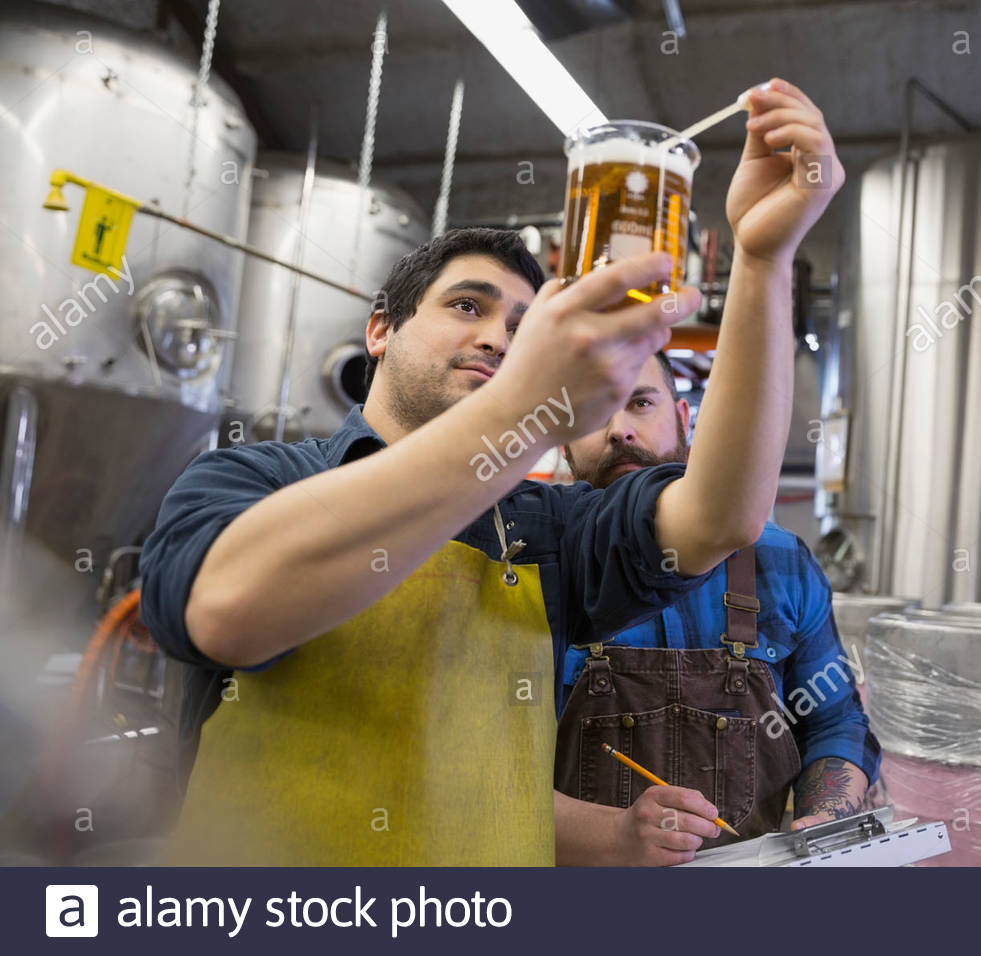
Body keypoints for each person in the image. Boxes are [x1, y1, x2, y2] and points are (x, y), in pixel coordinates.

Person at [138, 77, 845, 865]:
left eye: (518, 324)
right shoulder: (245, 480)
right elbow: (229, 611)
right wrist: (521, 413)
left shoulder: (545, 531)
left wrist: (762, 257)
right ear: (380, 329)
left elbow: (723, 515)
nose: (497, 339)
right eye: (467, 306)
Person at [552, 353, 879, 866]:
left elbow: (834, 720)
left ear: (684, 417)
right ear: (561, 438)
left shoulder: (781, 563)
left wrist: (830, 815)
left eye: (641, 402)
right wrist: (613, 835)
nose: (620, 431)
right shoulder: (530, 570)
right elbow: (489, 778)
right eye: (594, 411)